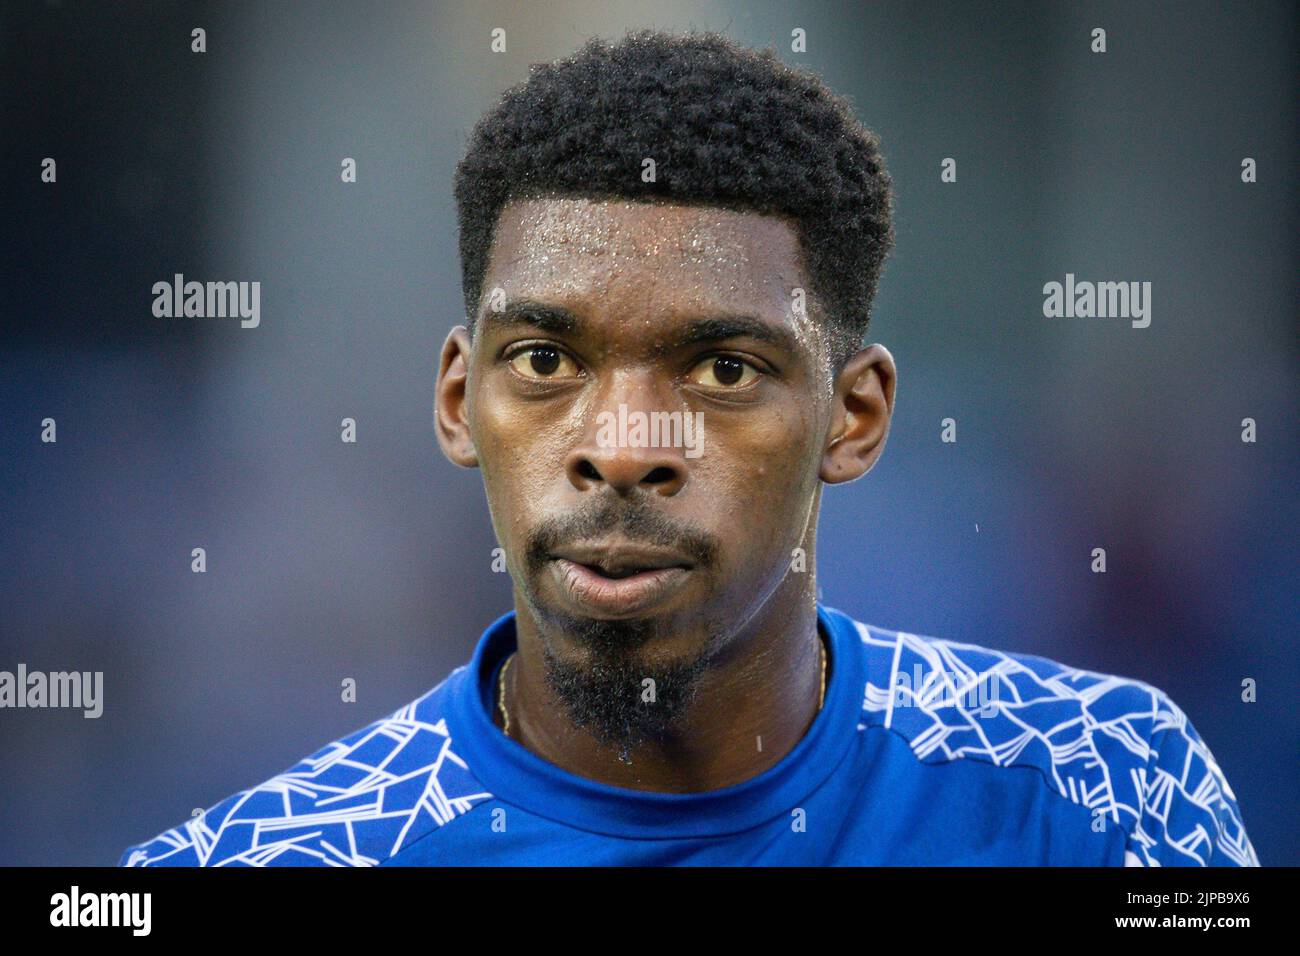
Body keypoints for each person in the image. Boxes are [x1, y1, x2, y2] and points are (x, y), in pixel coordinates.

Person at [119, 29, 1257, 867]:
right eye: (547, 363)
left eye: (721, 370)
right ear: (461, 400)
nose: (620, 447)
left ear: (852, 418)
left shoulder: (1103, 796)